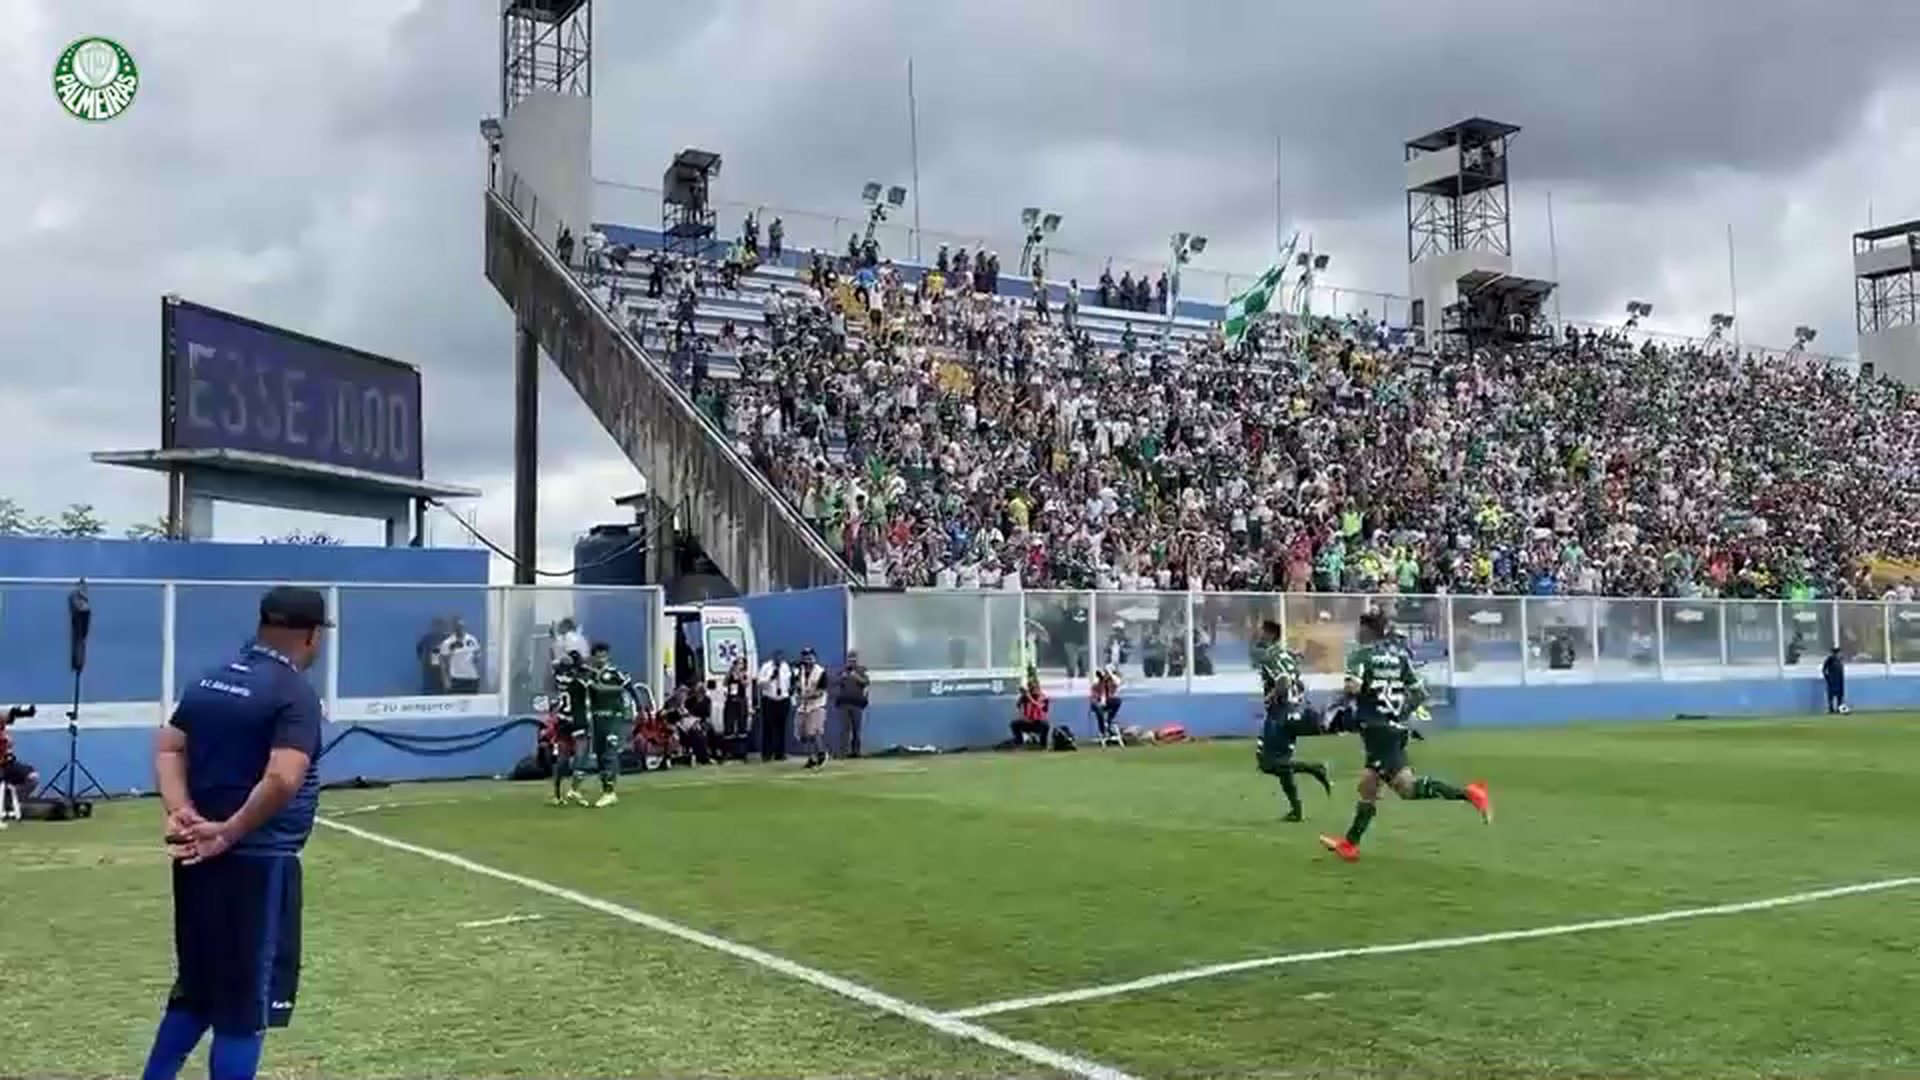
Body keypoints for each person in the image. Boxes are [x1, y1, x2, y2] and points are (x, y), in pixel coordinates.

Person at [141, 586, 327, 1080]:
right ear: (311, 635)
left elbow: (167, 747)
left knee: (197, 989)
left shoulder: (210, 680)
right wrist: (229, 831)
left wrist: (180, 811)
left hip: (196, 858)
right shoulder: (293, 693)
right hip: (258, 863)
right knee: (244, 1004)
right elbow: (284, 776)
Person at [1320, 611, 1490, 862]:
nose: (1357, 632)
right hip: (1393, 728)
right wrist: (1399, 713)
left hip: (1376, 729)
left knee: (1405, 788)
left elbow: (1353, 687)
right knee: (1368, 784)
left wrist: (1337, 705)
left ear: (1368, 631)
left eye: (1360, 628)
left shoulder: (1361, 655)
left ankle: (1469, 794)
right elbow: (1420, 693)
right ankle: (1350, 844)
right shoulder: (1399, 657)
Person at [1252, 620, 1331, 822]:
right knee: (1282, 763)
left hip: (1280, 714)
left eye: (1261, 632)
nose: (1258, 635)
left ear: (1270, 635)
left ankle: (1315, 768)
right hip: (1294, 711)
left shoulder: (1269, 656)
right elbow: (1297, 680)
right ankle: (1296, 810)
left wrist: (1271, 697)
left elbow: (1283, 680)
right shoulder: (1285, 654)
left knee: (1268, 763)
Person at [581, 643, 638, 806]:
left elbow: (629, 688)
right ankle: (606, 788)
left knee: (609, 752)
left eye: (604, 655)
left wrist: (640, 707)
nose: (601, 658)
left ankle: (610, 792)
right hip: (598, 719)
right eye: (598, 655)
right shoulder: (589, 674)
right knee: (599, 755)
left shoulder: (614, 673)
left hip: (614, 717)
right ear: (593, 657)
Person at [546, 647, 592, 806]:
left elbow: (555, 666)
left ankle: (556, 795)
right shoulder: (579, 680)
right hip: (577, 719)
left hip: (562, 720)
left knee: (562, 758)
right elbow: (589, 683)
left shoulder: (558, 677)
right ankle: (574, 789)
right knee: (581, 754)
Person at [794, 648, 830, 768]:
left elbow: (821, 691)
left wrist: (807, 696)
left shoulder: (821, 672)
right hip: (803, 706)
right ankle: (811, 756)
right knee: (803, 734)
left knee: (813, 732)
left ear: (814, 658)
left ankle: (821, 753)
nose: (807, 659)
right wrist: (798, 692)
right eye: (805, 657)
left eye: (810, 657)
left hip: (817, 705)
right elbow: (797, 685)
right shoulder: (800, 670)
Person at [757, 650, 793, 763]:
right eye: (777, 657)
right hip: (769, 699)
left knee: (781, 728)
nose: (779, 659)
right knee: (768, 728)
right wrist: (770, 678)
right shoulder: (766, 667)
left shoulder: (786, 667)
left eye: (781, 657)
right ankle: (767, 754)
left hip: (783, 699)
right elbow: (760, 682)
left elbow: (789, 682)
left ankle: (780, 753)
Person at [834, 651, 870, 759]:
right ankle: (843, 753)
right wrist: (843, 677)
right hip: (844, 704)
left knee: (856, 729)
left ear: (856, 660)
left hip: (857, 704)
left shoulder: (861, 671)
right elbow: (834, 682)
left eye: (853, 660)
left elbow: (866, 682)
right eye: (850, 660)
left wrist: (855, 676)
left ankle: (856, 752)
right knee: (844, 729)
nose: (852, 662)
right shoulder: (842, 671)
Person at [1011, 675, 1050, 747]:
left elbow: (1040, 707)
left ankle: (1043, 745)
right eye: (1031, 687)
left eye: (1035, 687)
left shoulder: (1043, 697)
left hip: (1038, 722)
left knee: (1046, 725)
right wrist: (1023, 717)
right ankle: (1019, 742)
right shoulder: (1024, 697)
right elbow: (1018, 706)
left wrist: (1029, 697)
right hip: (1027, 722)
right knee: (1014, 724)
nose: (1034, 689)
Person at [1823, 646, 1848, 714]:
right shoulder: (1830, 659)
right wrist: (1827, 677)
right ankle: (1831, 708)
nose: (1840, 654)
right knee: (1831, 695)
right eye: (1838, 652)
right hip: (1832, 680)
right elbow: (1824, 669)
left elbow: (1841, 670)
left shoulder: (1840, 660)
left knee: (1840, 695)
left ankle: (1839, 708)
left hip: (1839, 680)